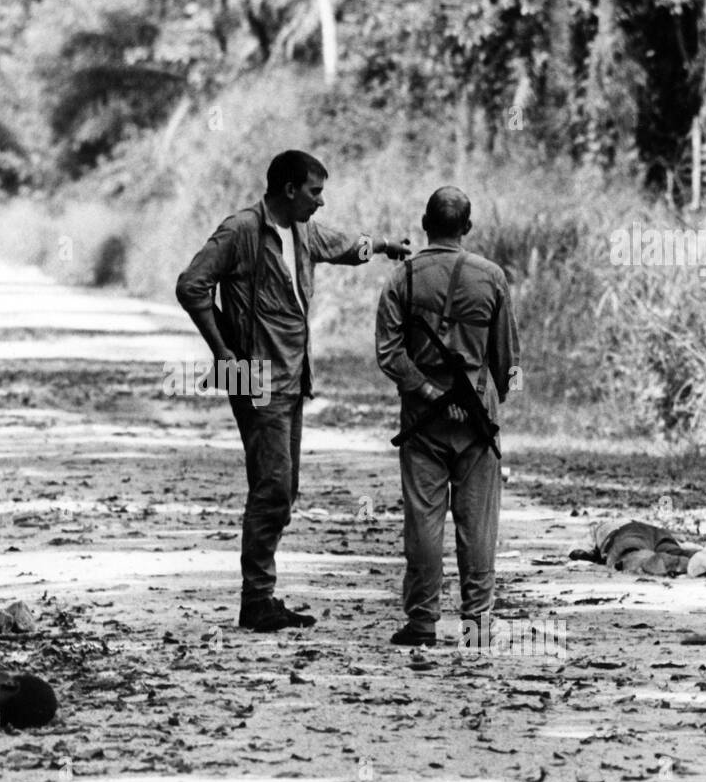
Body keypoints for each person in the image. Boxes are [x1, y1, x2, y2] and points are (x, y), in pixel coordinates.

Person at [176, 150, 411, 632]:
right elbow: (191, 286)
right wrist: (224, 351)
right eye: (314, 192)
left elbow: (344, 245)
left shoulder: (302, 231)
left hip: (291, 377)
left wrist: (386, 245)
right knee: (273, 486)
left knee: (284, 489)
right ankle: (256, 599)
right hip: (256, 379)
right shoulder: (241, 230)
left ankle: (261, 596)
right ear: (289, 189)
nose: (320, 203)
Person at [375, 187, 519, 647]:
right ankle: (476, 624)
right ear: (468, 228)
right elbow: (507, 363)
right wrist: (486, 400)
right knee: (478, 524)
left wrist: (427, 390)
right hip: (479, 417)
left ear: (423, 223)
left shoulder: (403, 278)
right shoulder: (492, 277)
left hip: (422, 418)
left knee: (423, 521)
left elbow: (388, 354)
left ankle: (422, 623)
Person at [569, 519, 706, 577]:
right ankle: (699, 556)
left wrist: (580, 555)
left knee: (634, 555)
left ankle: (675, 564)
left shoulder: (598, 526)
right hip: (657, 531)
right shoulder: (629, 520)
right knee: (673, 548)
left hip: (625, 534)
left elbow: (579, 550)